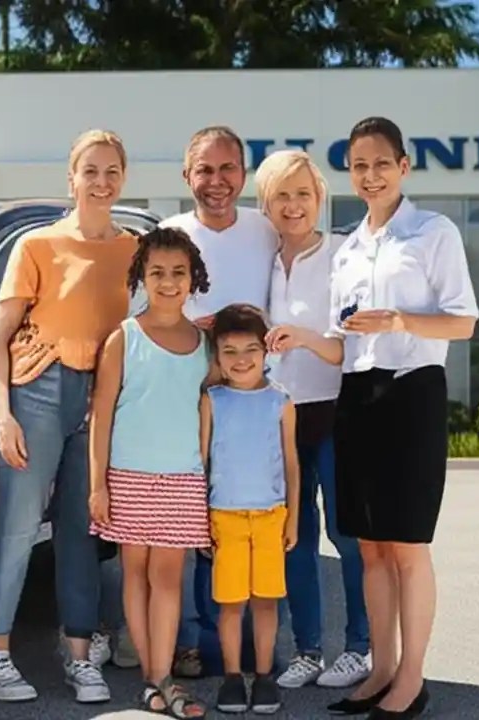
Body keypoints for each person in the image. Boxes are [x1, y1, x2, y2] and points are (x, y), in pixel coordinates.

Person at [0, 128, 141, 704]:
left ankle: (78, 656)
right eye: (90, 171)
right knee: (19, 526)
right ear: (70, 179)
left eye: (111, 171)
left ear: (123, 179)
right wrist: (3, 415)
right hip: (37, 391)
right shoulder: (36, 246)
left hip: (99, 397)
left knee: (82, 528)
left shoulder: (134, 251)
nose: (100, 182)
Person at [323, 117, 478, 719]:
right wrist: (306, 341)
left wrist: (400, 321)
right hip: (357, 397)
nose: (369, 176)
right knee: (370, 548)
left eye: (380, 163)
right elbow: (344, 341)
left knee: (408, 546)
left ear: (404, 166)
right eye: (359, 166)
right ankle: (380, 671)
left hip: (412, 394)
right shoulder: (348, 249)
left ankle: (412, 679)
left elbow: (463, 323)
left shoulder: (433, 232)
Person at [160, 126, 279, 679]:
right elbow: (148, 319)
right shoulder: (170, 233)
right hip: (187, 400)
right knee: (190, 523)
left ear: (244, 174)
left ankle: (252, 646)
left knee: (245, 518)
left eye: (228, 168)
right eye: (204, 170)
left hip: (252, 405)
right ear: (188, 176)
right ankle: (188, 640)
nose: (217, 181)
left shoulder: (264, 230)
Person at [256, 149, 373, 691]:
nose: (293, 204)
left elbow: (348, 350)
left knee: (346, 535)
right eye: (282, 194)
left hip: (334, 412)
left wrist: (301, 337)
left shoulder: (342, 255)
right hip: (278, 419)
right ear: (266, 203)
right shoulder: (260, 258)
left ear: (320, 198)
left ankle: (358, 647)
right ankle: (306, 649)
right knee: (294, 539)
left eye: (303, 193)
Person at [89, 226, 212, 719]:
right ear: (142, 275)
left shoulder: (206, 343)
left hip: (182, 479)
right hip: (128, 476)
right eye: (157, 272)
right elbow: (101, 413)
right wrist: (97, 483)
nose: (167, 282)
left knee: (168, 580)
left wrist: (209, 482)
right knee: (134, 576)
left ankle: (162, 676)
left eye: (178, 273)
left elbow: (211, 417)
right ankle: (152, 680)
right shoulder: (124, 338)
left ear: (193, 279)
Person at [200, 303, 299, 715]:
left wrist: (293, 515)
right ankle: (231, 678)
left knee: (265, 601)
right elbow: (201, 463)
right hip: (225, 515)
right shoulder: (213, 400)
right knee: (230, 603)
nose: (241, 360)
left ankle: (263, 677)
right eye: (229, 351)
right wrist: (200, 518)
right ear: (217, 357)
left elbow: (292, 462)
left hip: (270, 515)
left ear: (266, 351)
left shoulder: (280, 401)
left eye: (250, 350)